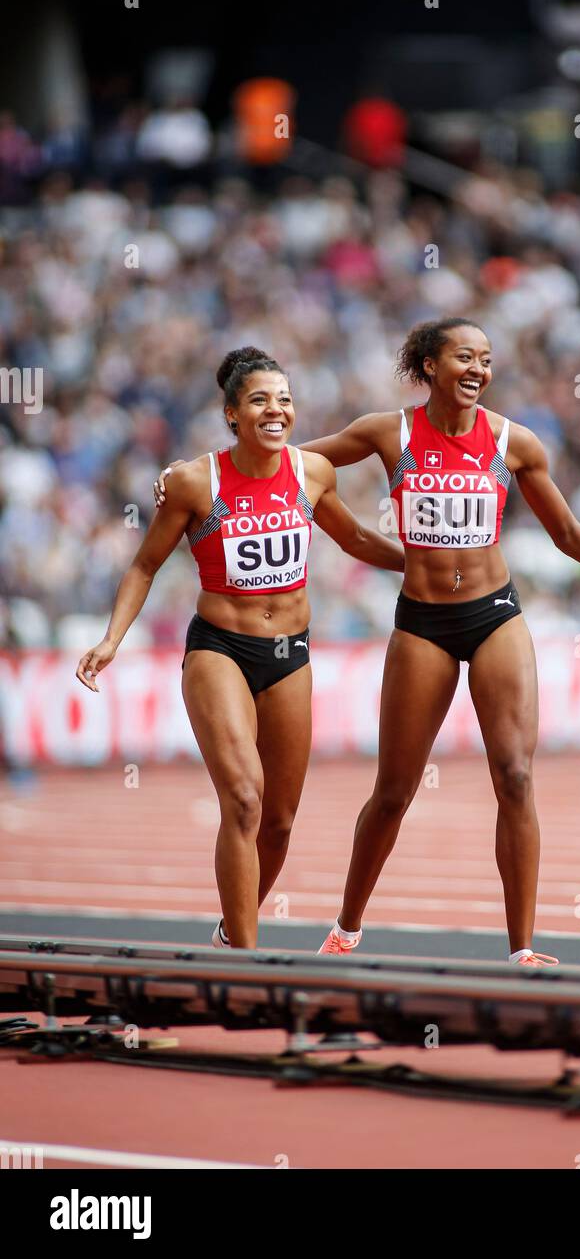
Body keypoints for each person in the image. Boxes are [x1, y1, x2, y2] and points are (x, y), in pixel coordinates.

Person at [159, 319, 580, 965]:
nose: (478, 370)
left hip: (494, 615)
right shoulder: (385, 433)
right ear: (428, 366)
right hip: (422, 622)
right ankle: (346, 928)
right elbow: (283, 462)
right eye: (463, 357)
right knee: (393, 792)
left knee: (514, 774)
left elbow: (563, 530)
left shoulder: (514, 443)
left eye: (486, 358)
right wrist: (197, 472)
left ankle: (522, 949)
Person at [77, 347, 404, 950]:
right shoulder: (194, 481)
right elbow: (145, 566)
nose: (275, 409)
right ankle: (246, 963)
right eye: (259, 399)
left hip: (290, 655)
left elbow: (355, 536)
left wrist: (421, 565)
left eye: (284, 398)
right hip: (219, 651)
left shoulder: (312, 472)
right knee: (245, 801)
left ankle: (231, 936)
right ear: (231, 415)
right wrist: (111, 639)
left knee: (278, 824)